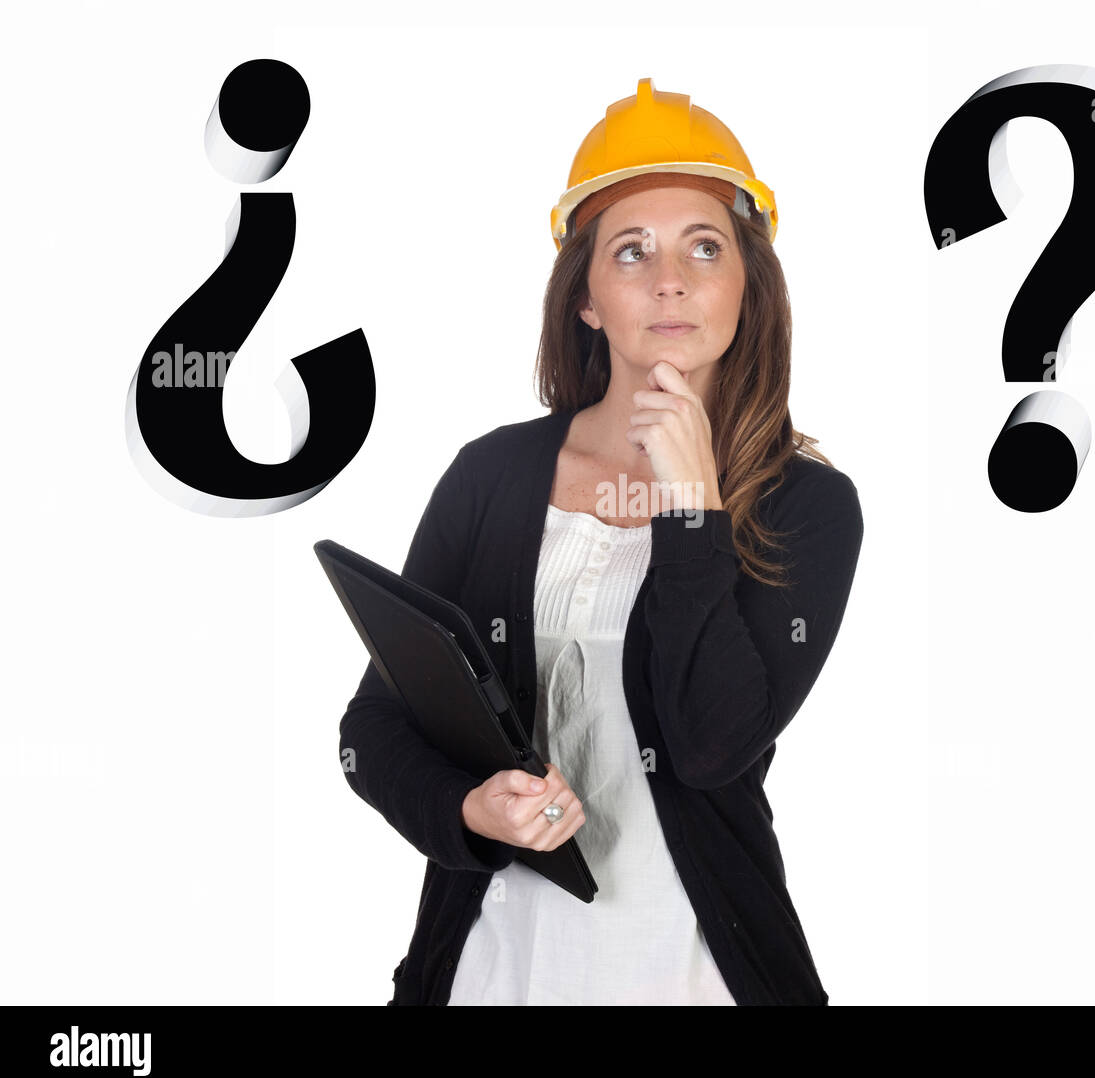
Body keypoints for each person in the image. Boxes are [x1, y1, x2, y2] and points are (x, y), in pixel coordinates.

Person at [339, 78, 864, 1005]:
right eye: (633, 251)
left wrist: (693, 506)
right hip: (495, 971)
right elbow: (374, 731)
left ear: (747, 285)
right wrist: (469, 808)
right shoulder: (490, 477)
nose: (672, 278)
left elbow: (708, 751)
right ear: (585, 296)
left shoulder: (809, 509)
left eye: (705, 248)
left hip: (701, 977)